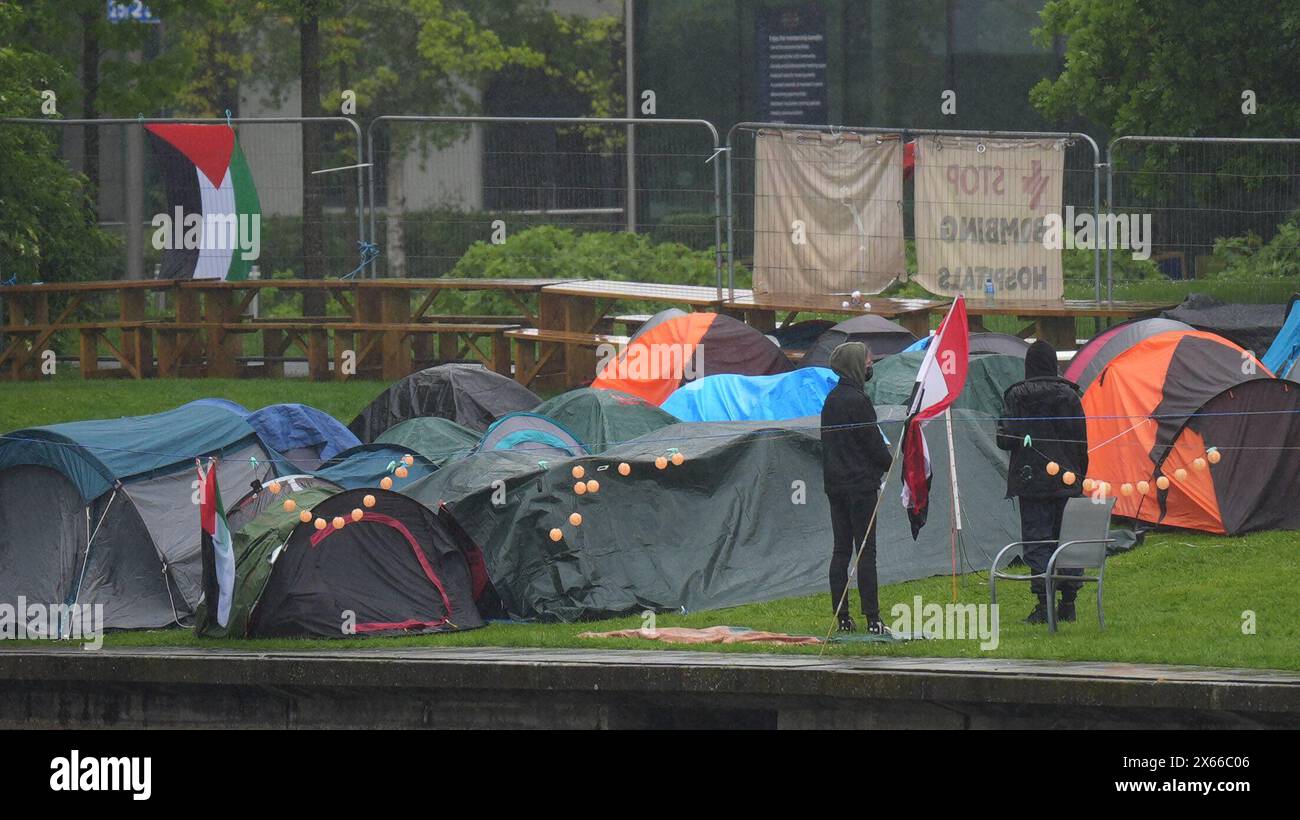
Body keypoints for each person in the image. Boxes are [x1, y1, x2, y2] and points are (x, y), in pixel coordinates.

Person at [996, 339, 1089, 624]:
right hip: (1066, 478)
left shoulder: (1016, 396)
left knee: (1038, 540)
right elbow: (1080, 441)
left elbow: (1004, 439)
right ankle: (1068, 602)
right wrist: (1079, 475)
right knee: (1067, 540)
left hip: (1031, 480)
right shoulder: (1070, 396)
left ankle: (1043, 602)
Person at [820, 341, 894, 633]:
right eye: (867, 361)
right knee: (866, 551)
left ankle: (843, 619)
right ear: (855, 365)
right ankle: (873, 618)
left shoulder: (831, 400)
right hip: (860, 487)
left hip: (835, 486)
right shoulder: (858, 401)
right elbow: (872, 443)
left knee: (841, 551)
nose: (870, 366)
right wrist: (890, 463)